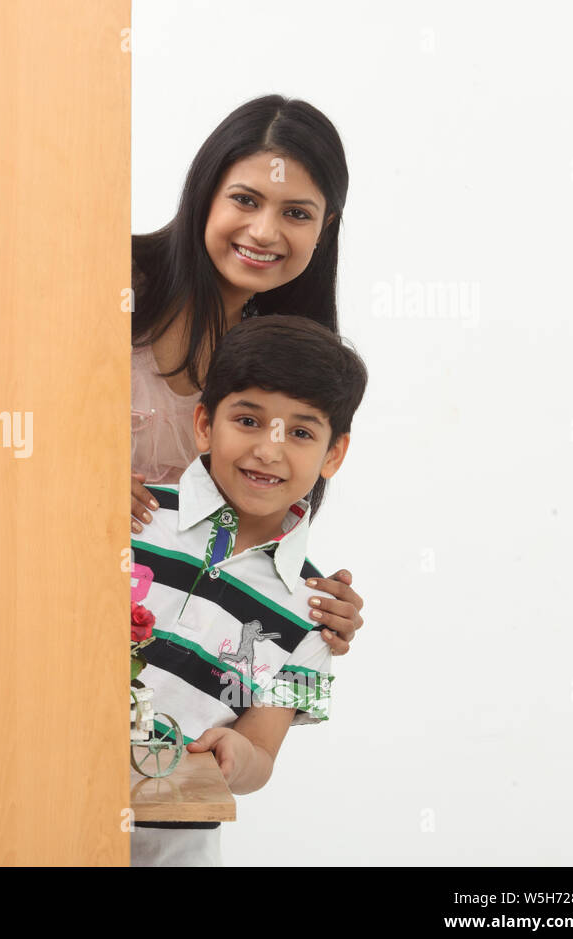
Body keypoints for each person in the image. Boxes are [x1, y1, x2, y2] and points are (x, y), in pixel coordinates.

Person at [130, 94, 366, 656]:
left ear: (325, 226)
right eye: (245, 199)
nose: (263, 232)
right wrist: (68, 488)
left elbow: (253, 525)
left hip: (138, 639)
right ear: (205, 193)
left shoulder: (287, 363)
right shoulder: (113, 279)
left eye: (296, 213)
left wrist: (307, 601)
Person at [129, 314, 368, 866]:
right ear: (205, 425)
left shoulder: (315, 615)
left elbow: (262, 752)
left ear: (334, 454)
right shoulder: (133, 516)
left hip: (173, 846)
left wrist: (241, 754)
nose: (269, 450)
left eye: (302, 432)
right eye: (248, 420)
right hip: (48, 813)